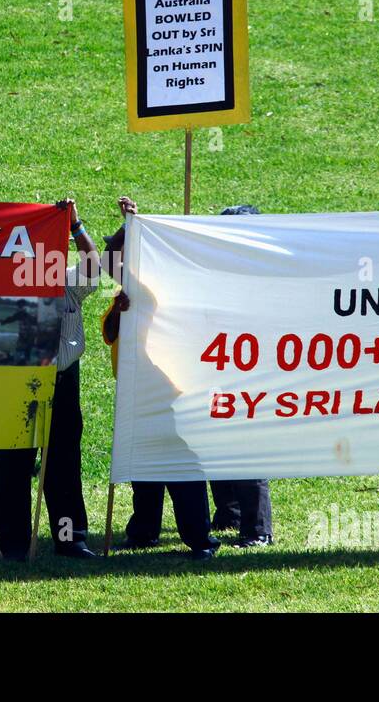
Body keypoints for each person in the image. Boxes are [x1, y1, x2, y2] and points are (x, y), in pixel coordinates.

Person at [101, 197, 219, 560]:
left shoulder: (167, 288)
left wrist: (134, 227)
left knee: (182, 465)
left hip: (169, 390)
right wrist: (128, 227)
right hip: (135, 392)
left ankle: (199, 538)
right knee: (142, 462)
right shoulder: (129, 290)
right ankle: (143, 531)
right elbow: (109, 327)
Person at [0, 197, 98, 560]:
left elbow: (96, 266)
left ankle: (70, 539)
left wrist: (76, 226)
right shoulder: (6, 286)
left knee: (63, 464)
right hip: (14, 381)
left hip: (63, 379)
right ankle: (14, 543)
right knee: (12, 463)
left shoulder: (70, 282)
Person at [209, 204, 274, 547]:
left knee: (247, 448)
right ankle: (229, 513)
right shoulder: (218, 273)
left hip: (252, 375)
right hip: (216, 369)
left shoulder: (266, 277)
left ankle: (258, 529)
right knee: (216, 443)